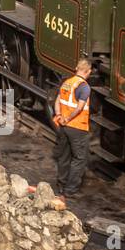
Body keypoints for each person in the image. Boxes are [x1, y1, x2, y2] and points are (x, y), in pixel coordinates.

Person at [52, 58, 92, 203]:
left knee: (64, 156)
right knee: (79, 158)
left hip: (63, 127)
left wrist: (59, 116)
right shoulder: (84, 87)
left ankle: (61, 186)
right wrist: (68, 118)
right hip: (77, 127)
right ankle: (70, 190)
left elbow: (57, 101)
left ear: (77, 68)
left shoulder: (67, 83)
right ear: (88, 71)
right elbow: (80, 107)